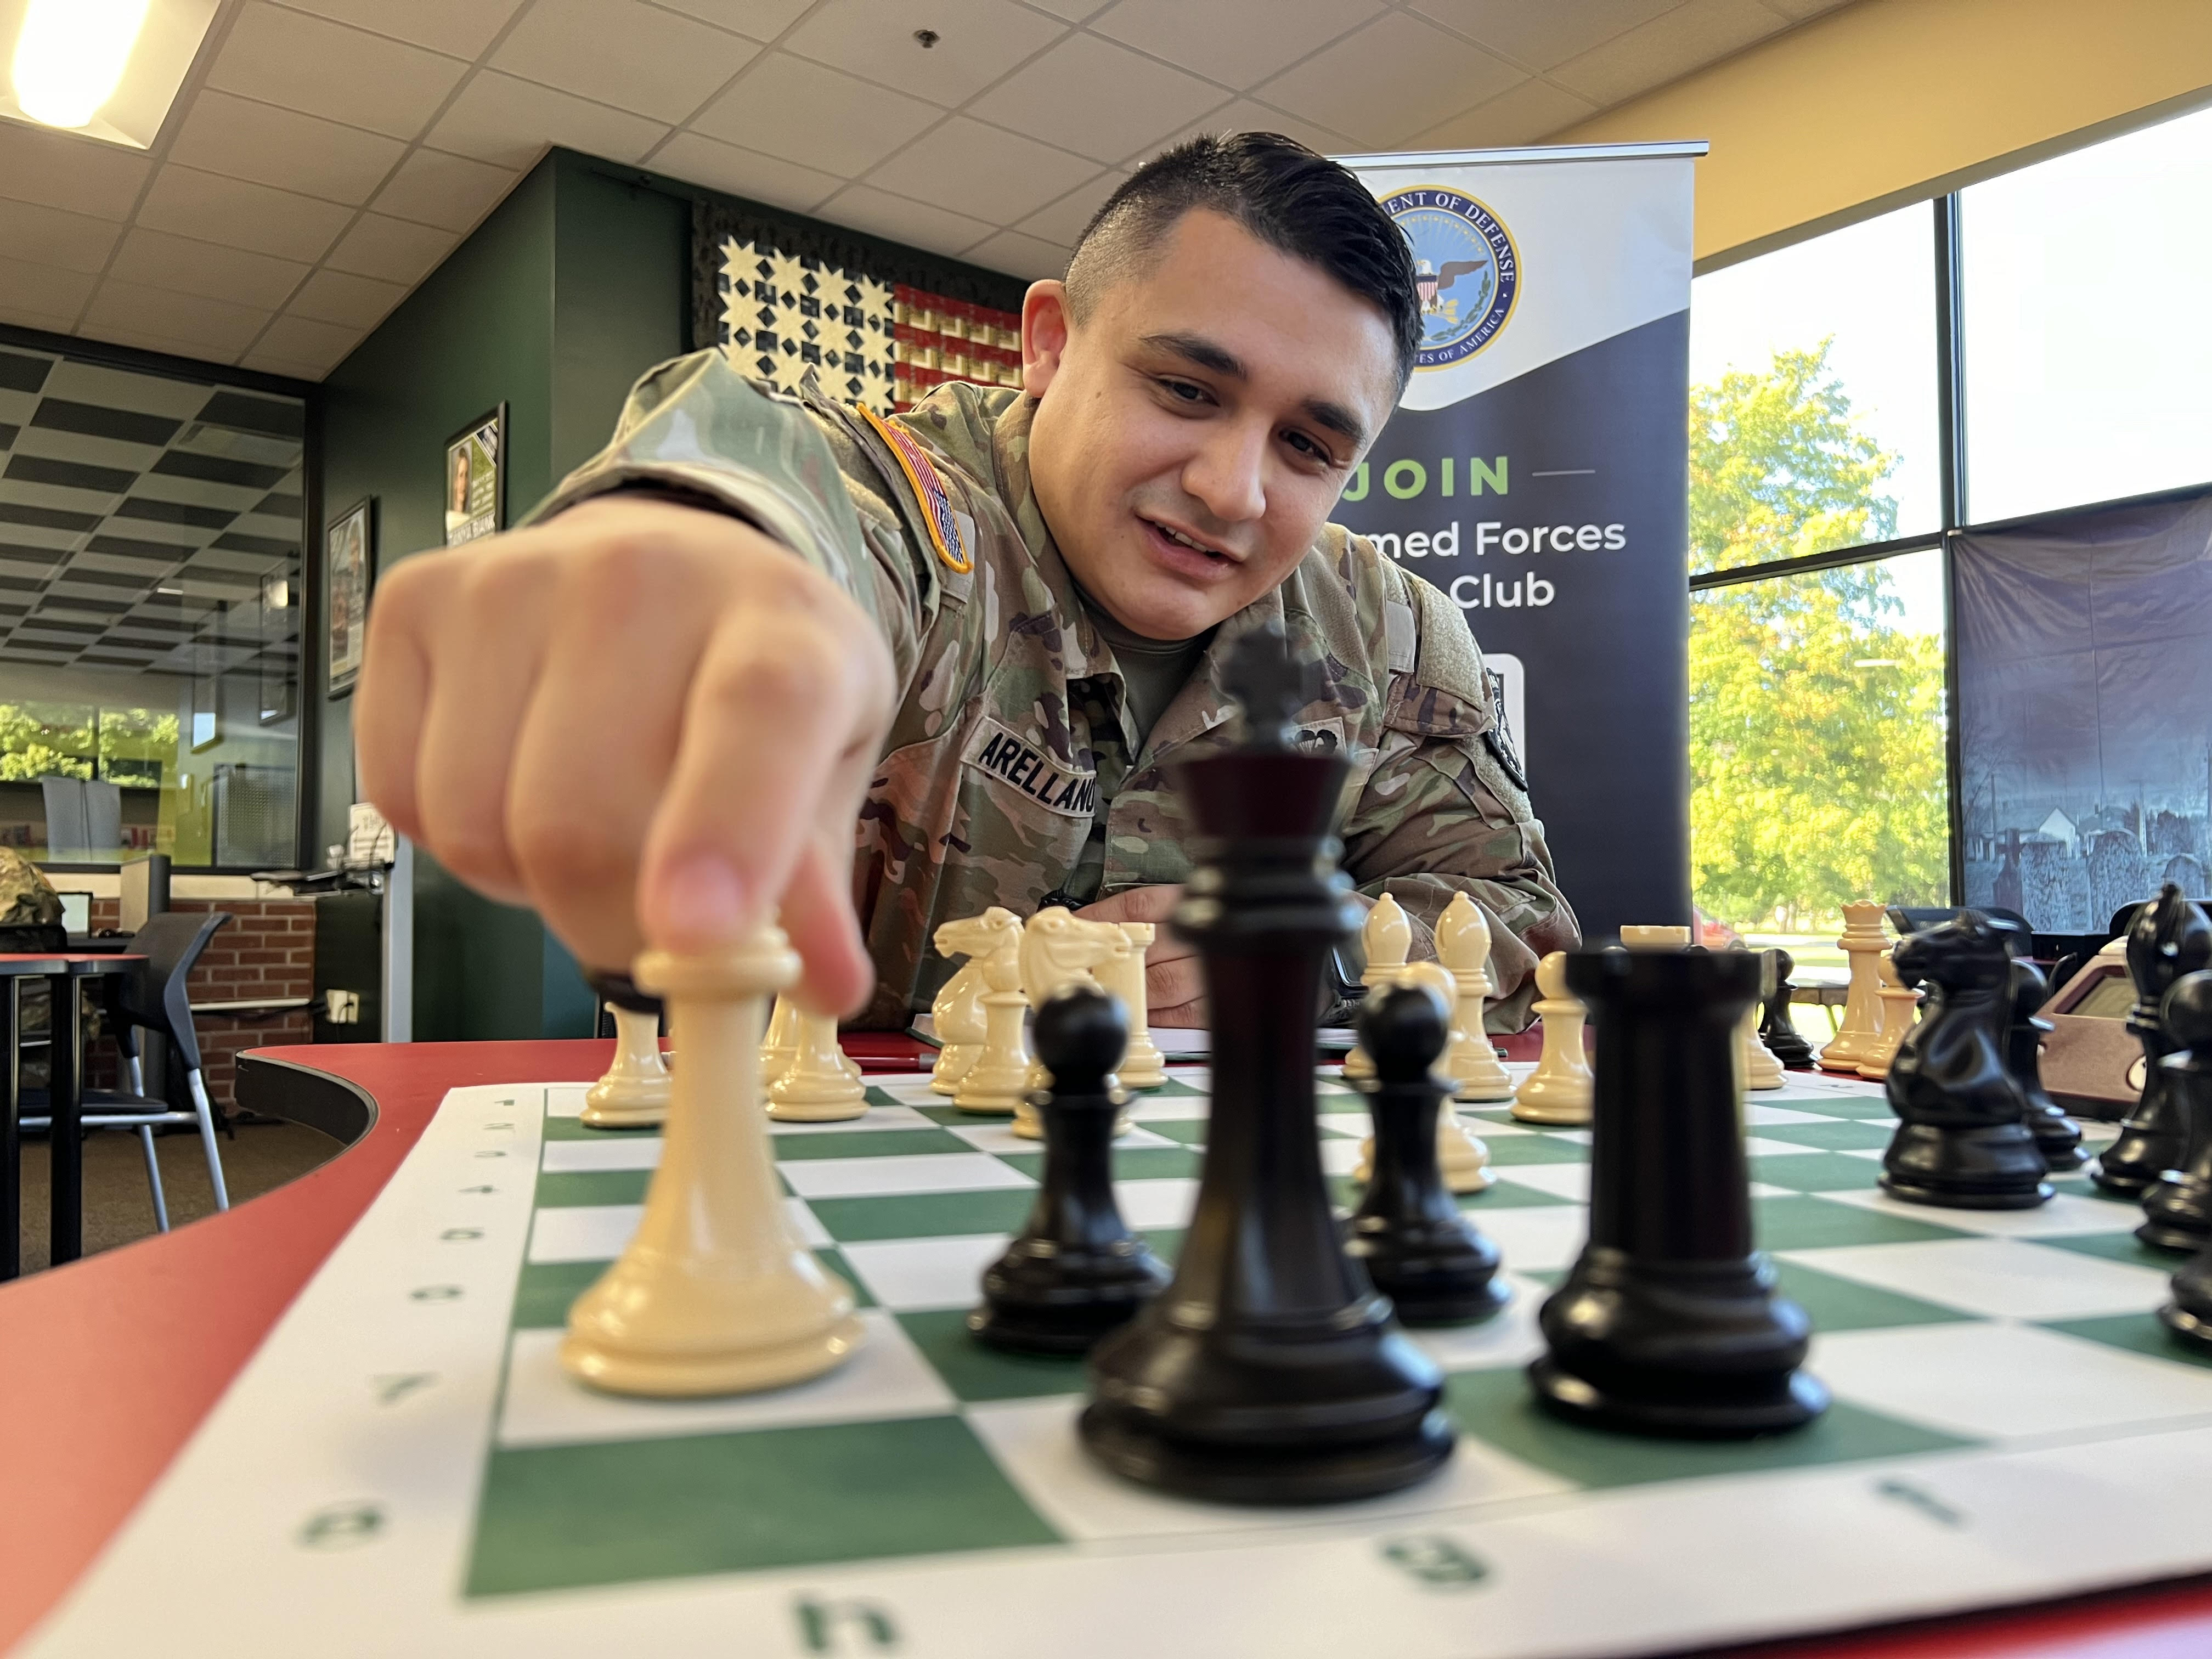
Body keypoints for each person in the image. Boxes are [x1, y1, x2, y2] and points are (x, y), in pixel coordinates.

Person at [359, 133, 1579, 1031]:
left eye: (1309, 447)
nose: (1233, 489)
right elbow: (789, 501)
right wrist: (692, 550)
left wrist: (1312, 954)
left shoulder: (1392, 632)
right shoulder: (911, 505)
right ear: (1048, 343)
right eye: (1186, 391)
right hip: (802, 1188)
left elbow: (1515, 906)